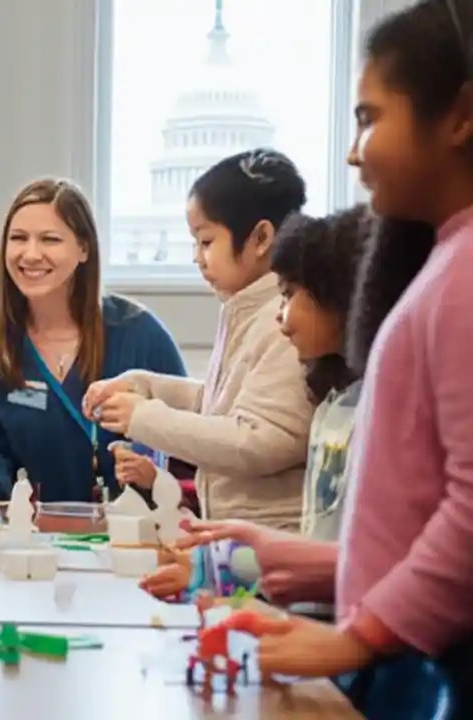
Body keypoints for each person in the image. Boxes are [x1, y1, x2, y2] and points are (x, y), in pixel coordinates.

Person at [239, 6, 473, 715]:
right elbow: (411, 521)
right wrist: (295, 561)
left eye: (369, 118)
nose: (352, 151)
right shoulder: (445, 262)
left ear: (460, 117)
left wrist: (357, 637)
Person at [140, 205, 372, 612]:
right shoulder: (333, 404)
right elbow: (317, 548)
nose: (281, 318)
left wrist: (216, 568)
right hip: (311, 613)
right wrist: (211, 569)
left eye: (289, 296)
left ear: (340, 298)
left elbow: (353, 560)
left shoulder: (370, 414)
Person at [83, 149, 312, 531]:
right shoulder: (247, 310)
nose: (197, 258)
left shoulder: (285, 318)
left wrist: (143, 416)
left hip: (271, 537)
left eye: (206, 242)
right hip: (240, 531)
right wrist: (146, 386)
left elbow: (258, 440)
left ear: (261, 238)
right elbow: (220, 407)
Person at [0, 178, 185, 502]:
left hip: (136, 535)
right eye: (18, 238)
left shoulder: (141, 335)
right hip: (43, 535)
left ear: (83, 248)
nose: (31, 254)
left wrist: (153, 473)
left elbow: (187, 448)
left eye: (50, 239)